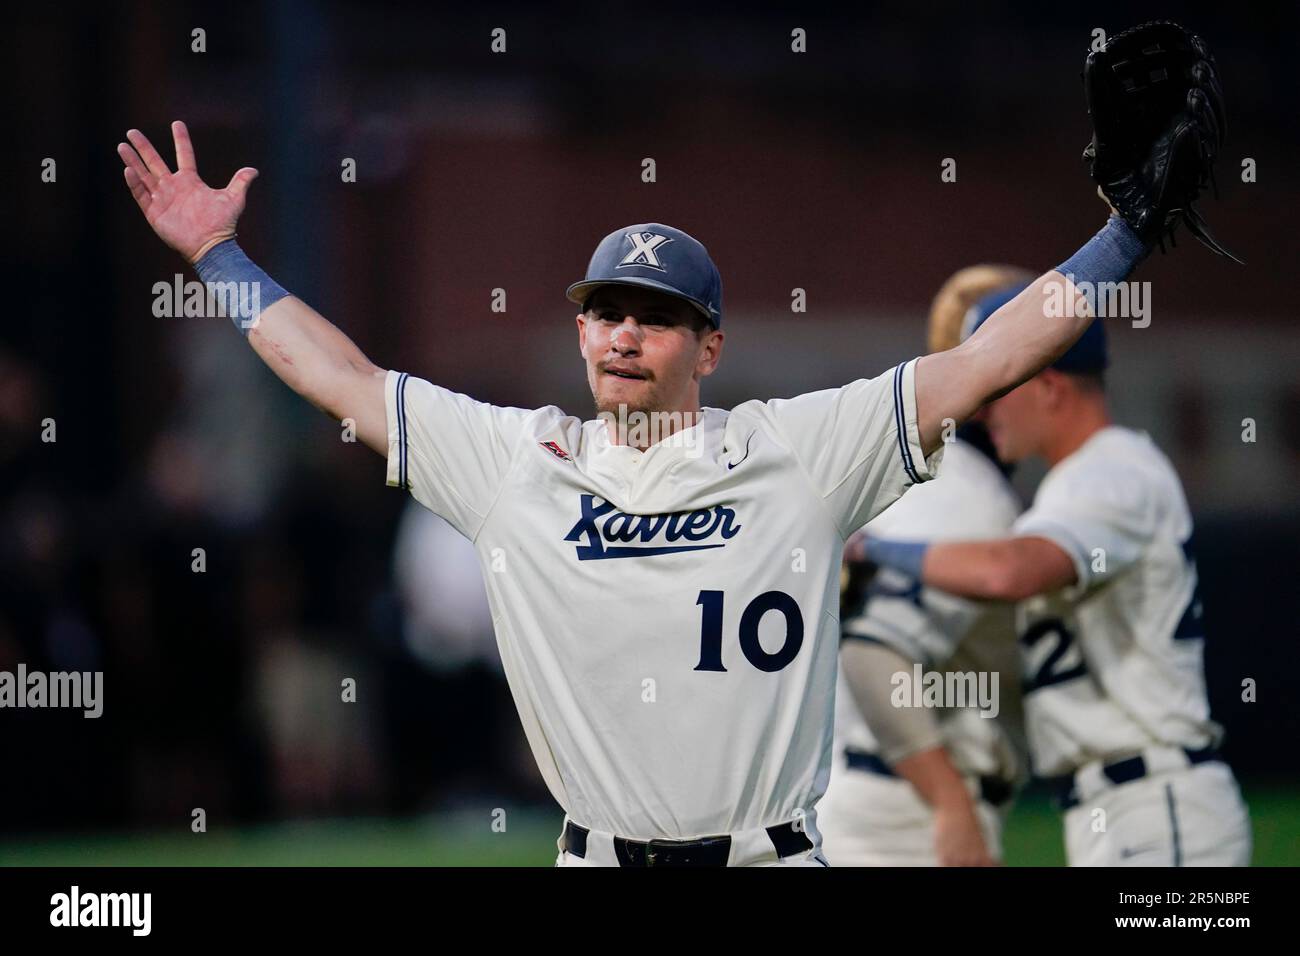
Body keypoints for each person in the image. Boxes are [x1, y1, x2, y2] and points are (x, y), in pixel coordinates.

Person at [118, 120, 1152, 866]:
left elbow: (989, 357)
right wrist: (218, 254)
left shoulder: (797, 449)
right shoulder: (514, 459)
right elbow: (333, 373)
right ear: (578, 332)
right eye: (604, 311)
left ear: (708, 346)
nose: (622, 333)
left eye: (653, 317)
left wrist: (1129, 231)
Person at [853, 299, 1252, 866]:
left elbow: (1009, 571)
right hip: (1120, 808)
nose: (982, 410)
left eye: (1000, 387)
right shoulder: (1075, 484)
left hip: (1158, 801)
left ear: (1049, 384)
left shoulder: (1114, 470)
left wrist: (877, 548)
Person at [818, 266, 1031, 866]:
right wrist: (949, 803)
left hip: (879, 800)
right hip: (901, 820)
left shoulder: (940, 478)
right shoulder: (960, 488)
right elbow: (871, 646)